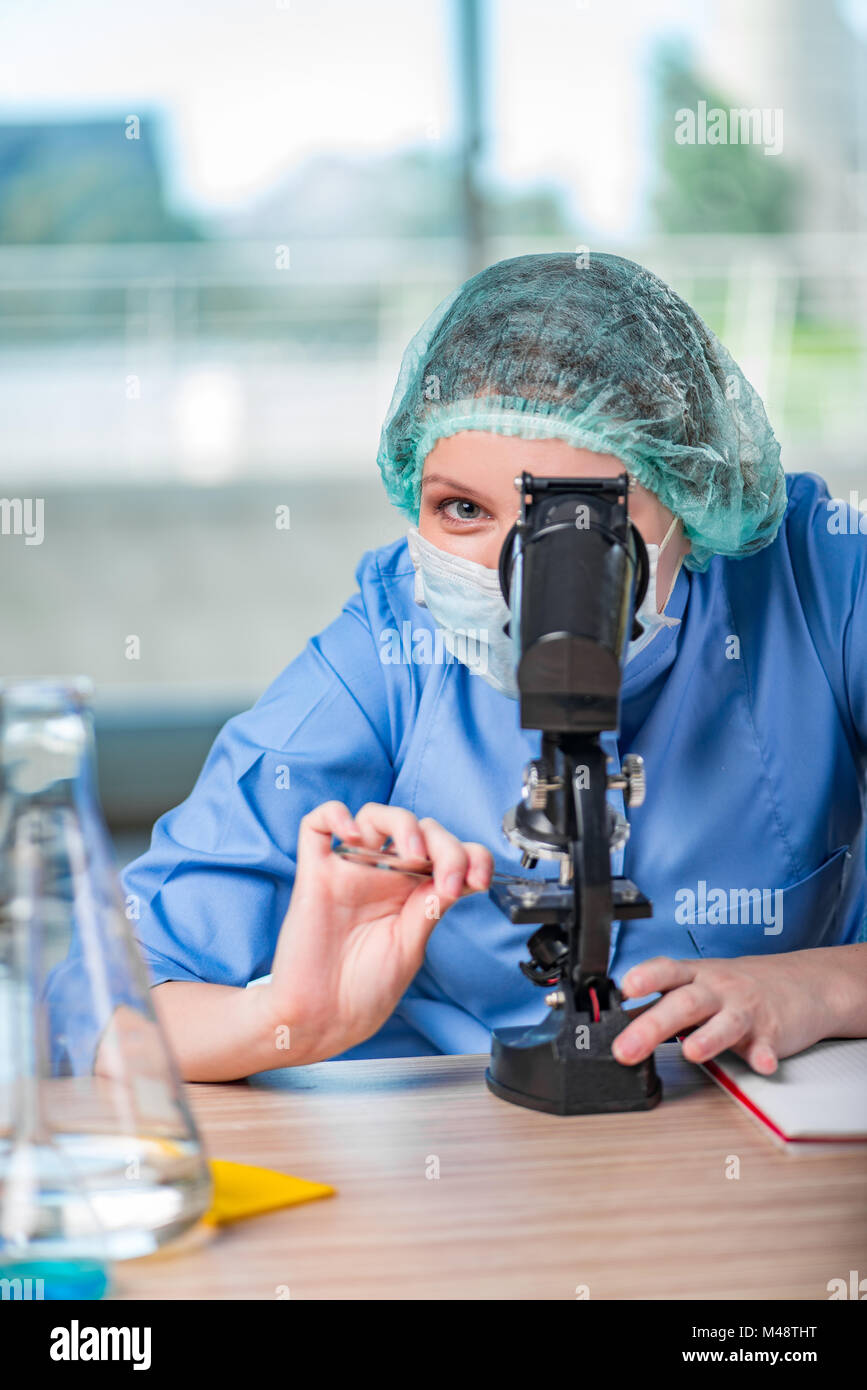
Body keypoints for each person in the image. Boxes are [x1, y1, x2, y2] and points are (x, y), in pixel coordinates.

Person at [118, 252, 867, 1084]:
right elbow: (106, 1013)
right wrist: (284, 1019)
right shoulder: (393, 638)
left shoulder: (817, 578)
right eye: (463, 509)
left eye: (576, 517)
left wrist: (829, 986)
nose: (520, 574)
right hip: (462, 1159)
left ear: (689, 498)